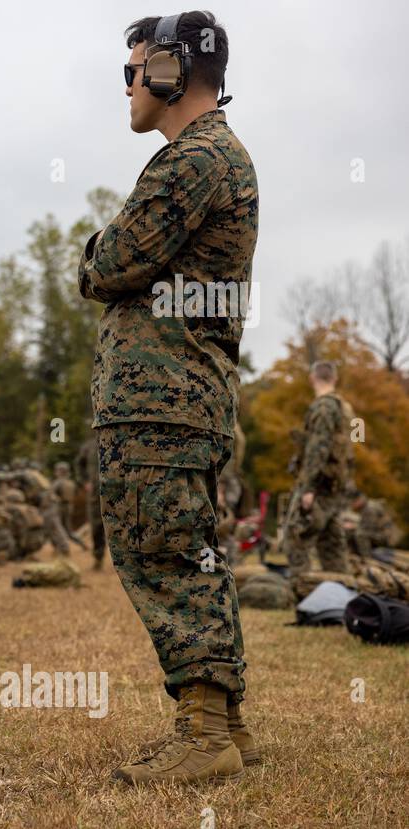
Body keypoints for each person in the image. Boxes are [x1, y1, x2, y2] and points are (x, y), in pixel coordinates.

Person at [79, 12, 259, 784]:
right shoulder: (210, 156)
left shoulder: (195, 159)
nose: (124, 87)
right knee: (187, 551)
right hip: (176, 396)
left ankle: (204, 734)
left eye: (132, 72)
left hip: (163, 397)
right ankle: (223, 725)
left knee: (166, 555)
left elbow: (110, 262)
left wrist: (91, 253)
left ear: (167, 72)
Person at [283, 361, 356, 575]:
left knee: (296, 538)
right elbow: (351, 449)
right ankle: (342, 595)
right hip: (336, 483)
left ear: (312, 378)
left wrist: (308, 487)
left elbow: (318, 449)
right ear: (335, 379)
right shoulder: (345, 409)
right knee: (332, 542)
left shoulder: (323, 407)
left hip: (320, 483)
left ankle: (303, 596)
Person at [74, 434, 106, 570]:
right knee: (97, 526)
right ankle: (98, 558)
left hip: (119, 490)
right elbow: (78, 464)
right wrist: (85, 482)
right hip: (95, 494)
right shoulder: (89, 446)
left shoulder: (119, 438)